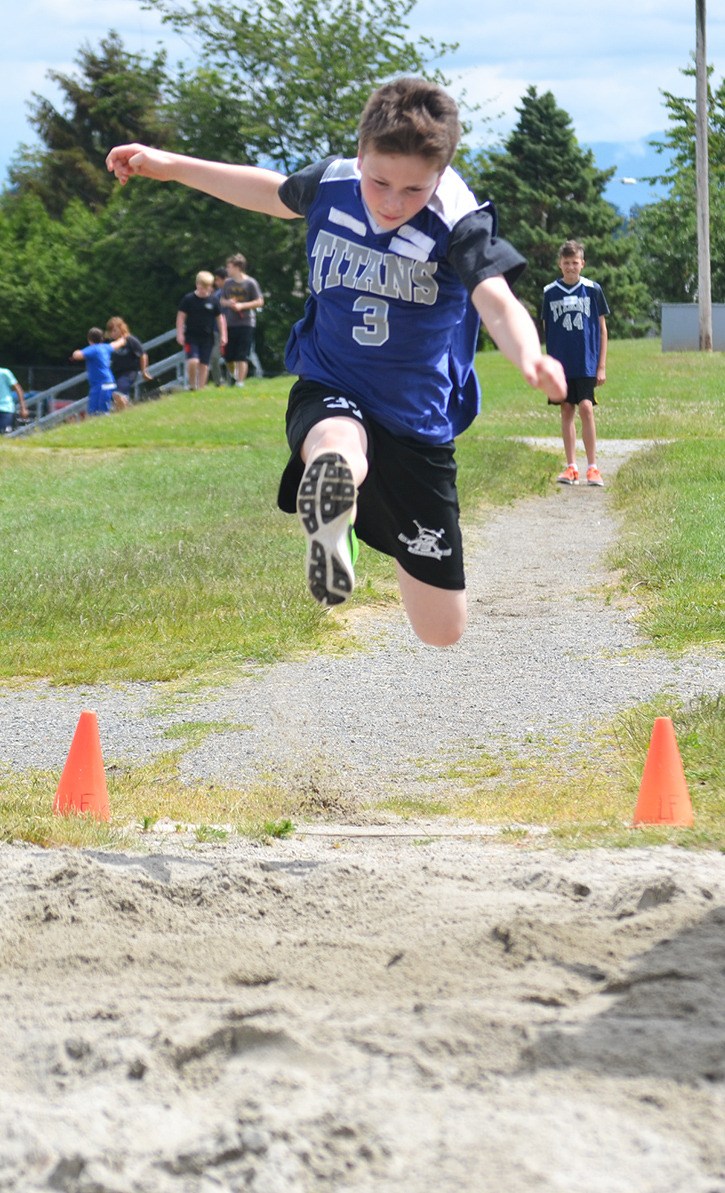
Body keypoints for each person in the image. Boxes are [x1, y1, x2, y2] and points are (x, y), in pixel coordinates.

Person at [107, 77, 566, 647]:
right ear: (360, 152)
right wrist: (169, 163)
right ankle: (334, 503)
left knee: (442, 629)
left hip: (415, 420)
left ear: (441, 172)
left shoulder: (458, 219)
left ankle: (339, 519)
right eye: (379, 181)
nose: (393, 202)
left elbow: (495, 298)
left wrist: (530, 354)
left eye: (413, 189)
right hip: (332, 380)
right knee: (337, 444)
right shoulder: (332, 182)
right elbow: (267, 191)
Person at [540, 239, 609, 487]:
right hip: (561, 363)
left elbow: (602, 329)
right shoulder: (550, 292)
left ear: (583, 264)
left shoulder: (592, 290)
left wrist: (601, 365)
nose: (571, 267)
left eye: (575, 262)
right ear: (560, 264)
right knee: (566, 410)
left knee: (586, 408)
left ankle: (593, 467)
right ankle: (571, 467)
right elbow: (547, 329)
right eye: (566, 262)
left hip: (586, 360)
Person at [176, 271, 227, 391]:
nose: (203, 289)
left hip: (207, 337)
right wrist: (180, 334)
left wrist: (224, 335)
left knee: (204, 364)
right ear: (196, 284)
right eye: (200, 286)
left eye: (205, 287)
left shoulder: (213, 301)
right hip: (191, 337)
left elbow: (220, 319)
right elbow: (181, 317)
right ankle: (192, 385)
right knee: (193, 361)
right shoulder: (188, 299)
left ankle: (201, 388)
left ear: (210, 287)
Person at [220, 253, 264, 386]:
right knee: (229, 355)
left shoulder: (251, 283)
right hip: (230, 323)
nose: (227, 270)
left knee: (242, 353)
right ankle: (232, 376)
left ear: (237, 267)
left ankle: (240, 381)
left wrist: (242, 305)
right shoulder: (227, 284)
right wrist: (229, 303)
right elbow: (222, 300)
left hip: (246, 322)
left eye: (229, 267)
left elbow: (260, 301)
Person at [71, 328, 126, 415]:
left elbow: (77, 355)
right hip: (110, 382)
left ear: (89, 339)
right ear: (102, 338)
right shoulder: (106, 347)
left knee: (97, 412)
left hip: (100, 385)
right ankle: (120, 399)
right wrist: (123, 338)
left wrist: (75, 352)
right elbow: (118, 343)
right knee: (101, 410)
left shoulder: (92, 349)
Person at [105, 316, 152, 407]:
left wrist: (144, 371)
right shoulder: (112, 343)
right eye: (111, 331)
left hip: (129, 372)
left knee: (117, 394)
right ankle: (124, 413)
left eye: (115, 330)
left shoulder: (130, 340)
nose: (113, 333)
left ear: (121, 328)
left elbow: (143, 355)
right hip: (115, 374)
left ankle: (126, 409)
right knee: (112, 397)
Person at [210, 267, 229, 386]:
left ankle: (233, 381)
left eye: (217, 279)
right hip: (217, 331)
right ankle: (219, 382)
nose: (215, 283)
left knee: (233, 358)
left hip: (233, 329)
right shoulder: (216, 296)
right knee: (214, 357)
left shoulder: (235, 292)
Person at [0, 366, 29, 434]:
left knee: (4, 434)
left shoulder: (4, 373)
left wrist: (23, 408)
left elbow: (18, 389)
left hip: (5, 408)